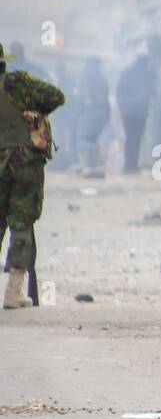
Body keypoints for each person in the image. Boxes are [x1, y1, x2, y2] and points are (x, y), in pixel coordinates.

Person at [0, 41, 64, 309]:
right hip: (24, 163)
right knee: (22, 224)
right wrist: (34, 111)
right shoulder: (17, 83)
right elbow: (57, 96)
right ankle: (14, 292)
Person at [115, 52, 156, 173]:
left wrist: (122, 107)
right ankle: (130, 165)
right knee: (134, 138)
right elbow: (120, 92)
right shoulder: (141, 73)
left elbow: (119, 92)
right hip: (134, 112)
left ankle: (130, 165)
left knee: (133, 138)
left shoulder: (130, 72)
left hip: (135, 112)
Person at [74, 57, 110, 176]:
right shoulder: (101, 79)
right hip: (100, 113)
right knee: (92, 140)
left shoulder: (87, 78)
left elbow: (84, 98)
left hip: (91, 113)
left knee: (87, 139)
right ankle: (93, 167)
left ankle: (91, 167)